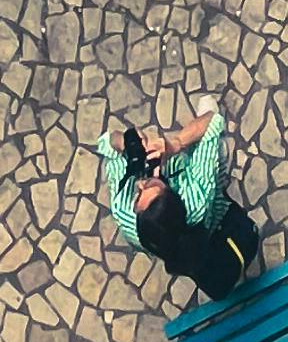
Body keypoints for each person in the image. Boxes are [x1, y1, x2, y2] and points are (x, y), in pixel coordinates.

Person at [98, 110, 259, 302]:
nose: (141, 184)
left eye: (139, 193)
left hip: (195, 253)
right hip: (220, 220)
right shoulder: (196, 198)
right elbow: (212, 120)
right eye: (151, 186)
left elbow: (105, 142)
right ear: (174, 194)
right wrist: (175, 145)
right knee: (207, 111)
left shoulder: (126, 215)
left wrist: (127, 143)